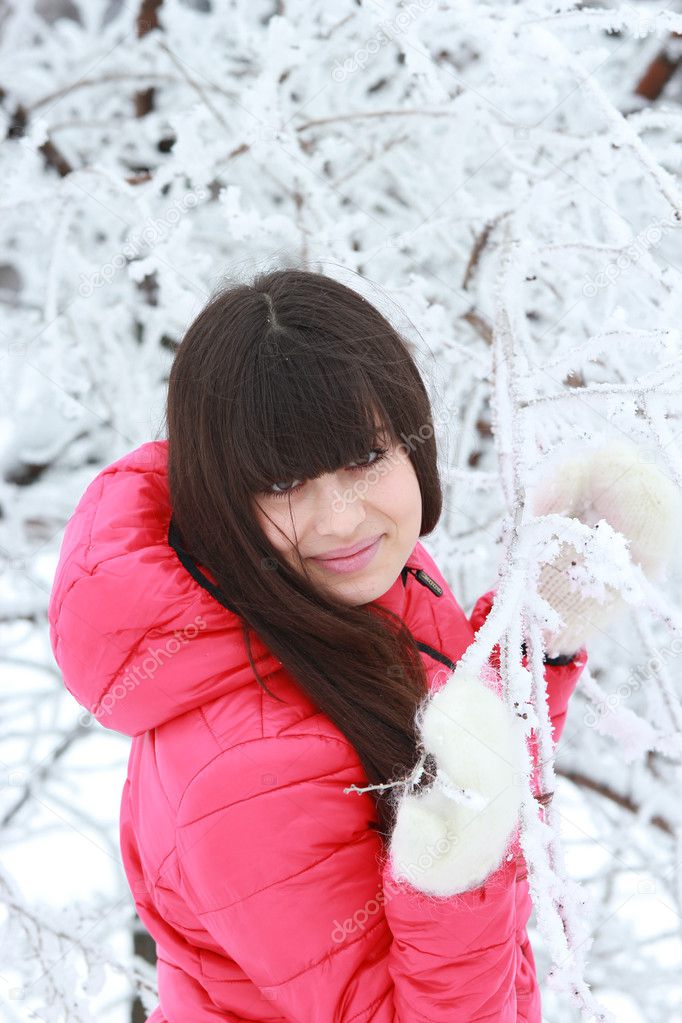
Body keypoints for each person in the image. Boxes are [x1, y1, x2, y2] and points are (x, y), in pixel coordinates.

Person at [47, 269, 679, 1021]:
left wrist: (536, 636)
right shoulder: (242, 772)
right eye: (284, 482)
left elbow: (440, 743)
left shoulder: (341, 588)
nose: (341, 519)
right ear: (220, 492)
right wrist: (454, 873)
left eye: (364, 459)